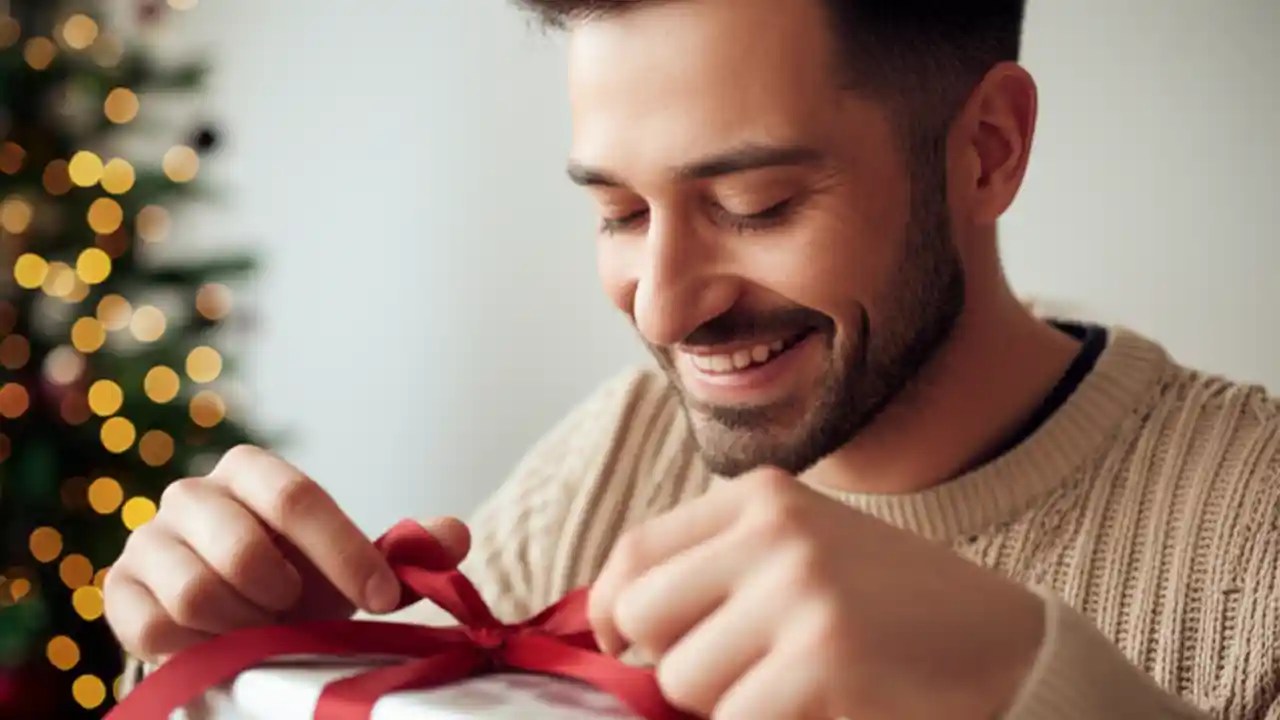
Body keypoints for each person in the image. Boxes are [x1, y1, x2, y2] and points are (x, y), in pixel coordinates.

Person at [109, 0, 1280, 717]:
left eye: (757, 203)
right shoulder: (612, 461)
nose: (663, 308)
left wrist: (1033, 685)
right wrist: (256, 676)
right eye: (618, 213)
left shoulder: (1253, 525)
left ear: (984, 150)